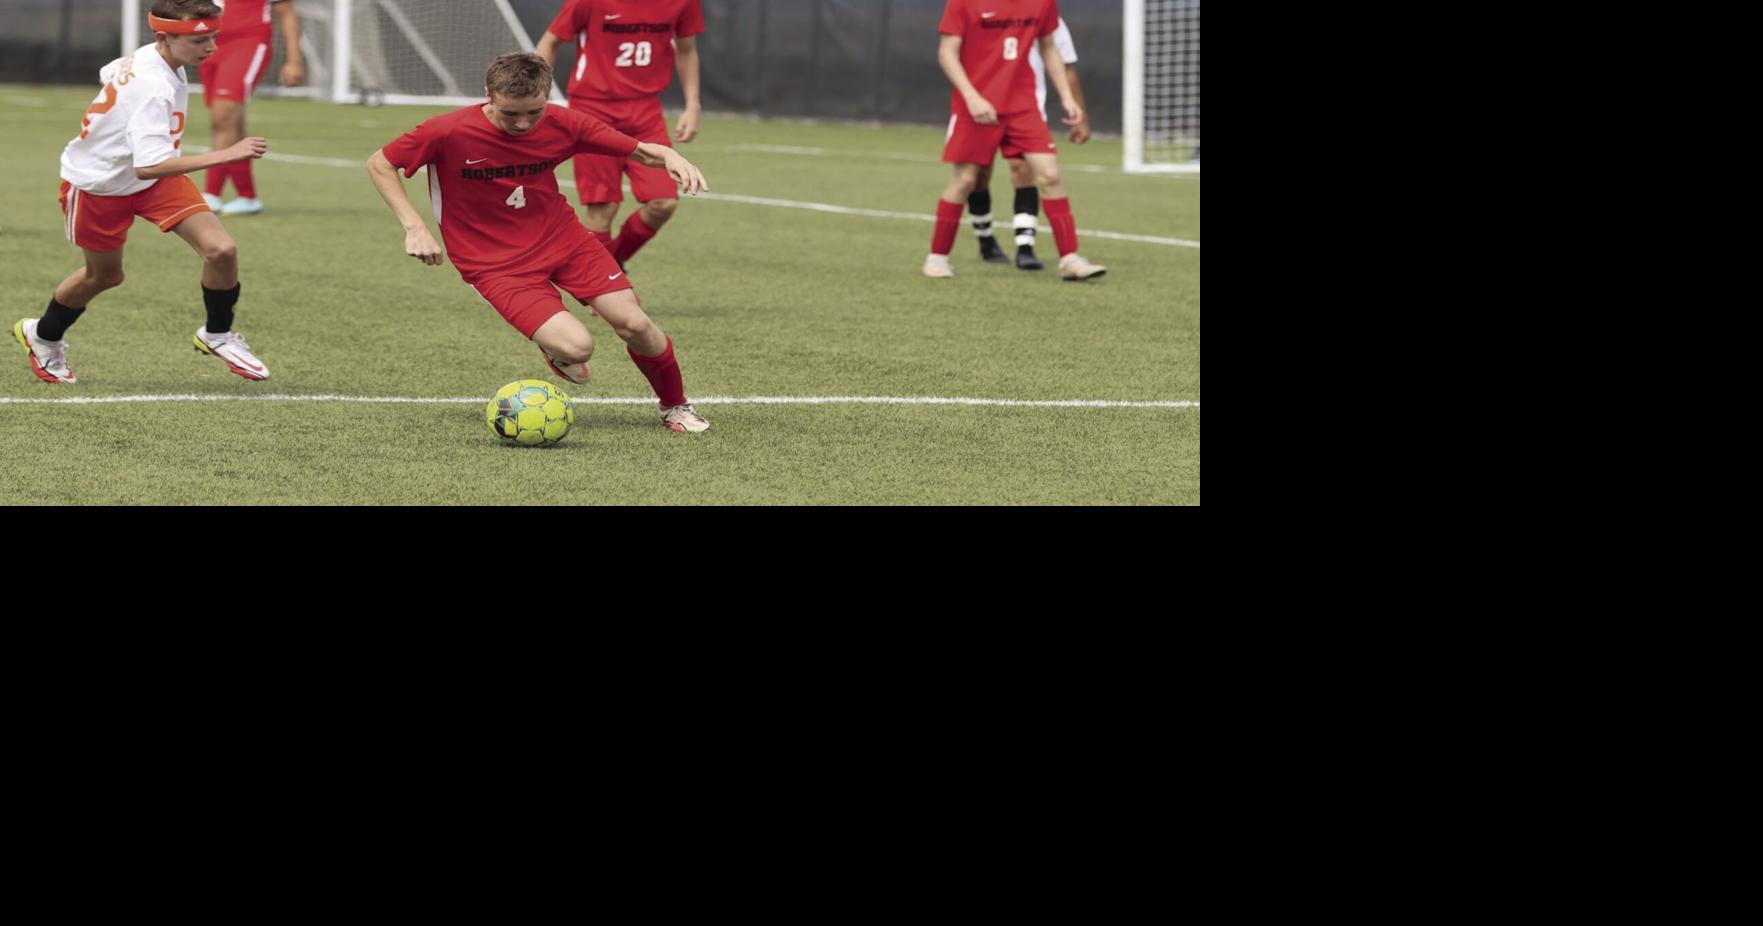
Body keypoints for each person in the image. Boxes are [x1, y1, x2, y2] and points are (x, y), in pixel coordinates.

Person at [365, 53, 713, 433]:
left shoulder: (564, 122)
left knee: (635, 324)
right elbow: (381, 163)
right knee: (578, 347)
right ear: (488, 96)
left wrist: (669, 156)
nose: (522, 123)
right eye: (509, 113)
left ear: (547, 96)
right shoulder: (447, 131)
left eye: (533, 112)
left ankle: (676, 407)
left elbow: (641, 150)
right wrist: (414, 226)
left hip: (563, 240)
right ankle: (556, 349)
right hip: (493, 264)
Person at [14, 0, 272, 385]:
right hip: (99, 186)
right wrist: (227, 154)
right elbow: (147, 164)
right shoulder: (153, 88)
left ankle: (217, 335)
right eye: (199, 41)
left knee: (222, 251)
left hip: (153, 180)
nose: (212, 49)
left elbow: (110, 73)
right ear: (163, 37)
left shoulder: (154, 56)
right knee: (103, 276)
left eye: (215, 38)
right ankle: (43, 335)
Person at [923, 0, 1105, 282]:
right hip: (976, 105)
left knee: (1050, 175)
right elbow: (947, 53)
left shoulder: (1042, 3)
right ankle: (936, 258)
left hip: (1023, 105)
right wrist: (972, 97)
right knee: (966, 180)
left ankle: (1070, 259)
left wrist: (1067, 98)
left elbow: (1049, 48)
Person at [535, 0, 703, 269]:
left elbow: (687, 49)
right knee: (603, 207)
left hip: (646, 110)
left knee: (664, 202)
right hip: (593, 108)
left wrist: (692, 105)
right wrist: (536, 97)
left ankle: (608, 265)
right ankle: (599, 287)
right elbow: (550, 41)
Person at [966, 15, 1089, 270]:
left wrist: (1080, 114)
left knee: (1024, 169)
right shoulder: (979, 10)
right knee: (978, 174)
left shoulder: (1045, 14)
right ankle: (985, 239)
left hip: (1026, 107)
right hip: (983, 104)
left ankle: (1026, 246)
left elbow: (1066, 65)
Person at [199, 0, 303, 215]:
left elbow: (286, 12)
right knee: (231, 122)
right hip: (208, 44)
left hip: (248, 42)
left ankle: (211, 194)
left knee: (223, 119)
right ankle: (248, 197)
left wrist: (294, 59)